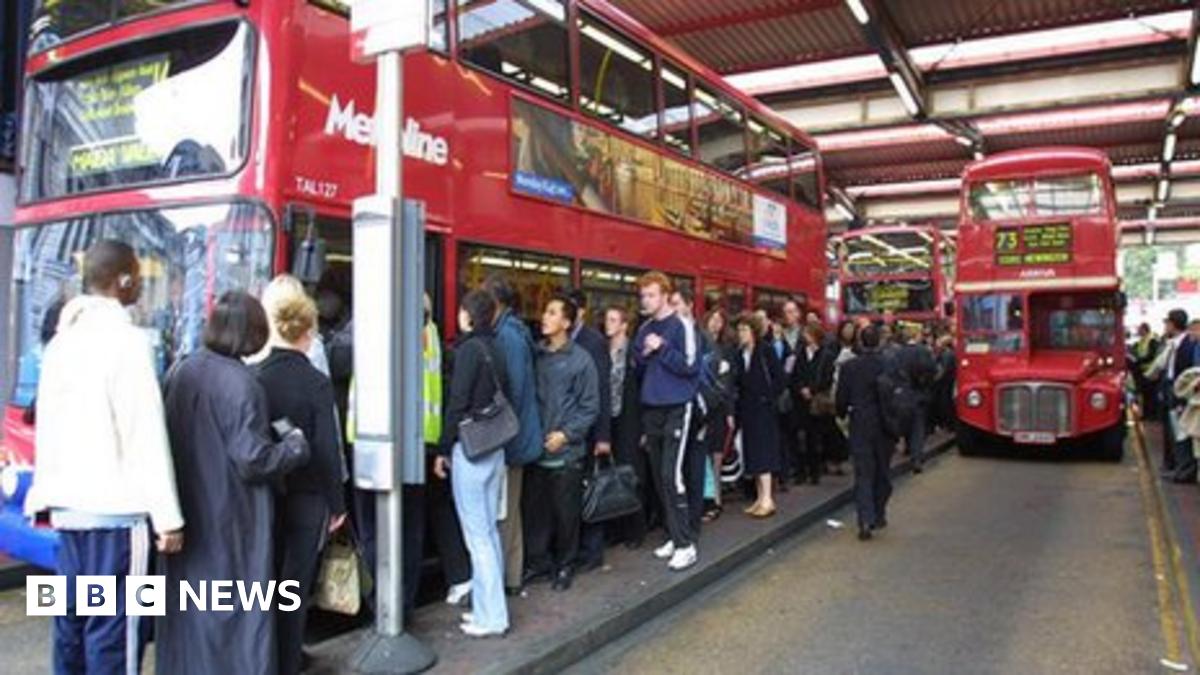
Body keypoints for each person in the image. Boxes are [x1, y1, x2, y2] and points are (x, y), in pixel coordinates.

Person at [26, 240, 185, 675]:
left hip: (68, 512)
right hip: (117, 514)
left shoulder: (61, 343)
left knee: (71, 624)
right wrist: (168, 516)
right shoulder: (127, 343)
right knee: (116, 630)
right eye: (137, 276)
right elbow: (144, 434)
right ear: (124, 281)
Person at [158, 291, 311, 674]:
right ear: (255, 333)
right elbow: (254, 460)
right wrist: (294, 447)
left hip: (189, 510)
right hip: (233, 517)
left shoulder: (182, 369)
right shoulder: (243, 384)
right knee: (239, 610)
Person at [256, 289, 348, 675]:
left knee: (267, 579)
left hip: (267, 495)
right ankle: (290, 657)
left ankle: (266, 656)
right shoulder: (316, 382)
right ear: (307, 331)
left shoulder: (256, 377)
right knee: (295, 582)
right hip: (309, 498)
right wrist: (338, 504)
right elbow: (327, 447)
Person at [435, 290, 510, 637]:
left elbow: (457, 401)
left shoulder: (467, 350)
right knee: (490, 532)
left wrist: (443, 447)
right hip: (494, 447)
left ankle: (492, 618)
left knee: (477, 537)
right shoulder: (496, 347)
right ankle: (485, 608)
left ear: (468, 315)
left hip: (471, 450)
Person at [524, 294, 600, 591]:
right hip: (536, 449)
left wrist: (566, 435)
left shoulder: (581, 360)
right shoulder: (538, 355)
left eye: (553, 313)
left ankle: (565, 565)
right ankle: (539, 563)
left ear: (567, 323)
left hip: (566, 452)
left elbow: (590, 406)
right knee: (536, 514)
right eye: (546, 311)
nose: (544, 316)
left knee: (566, 515)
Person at [634, 272, 702, 571]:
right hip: (652, 407)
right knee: (659, 476)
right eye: (643, 296)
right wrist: (646, 353)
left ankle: (686, 544)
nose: (645, 301)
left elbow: (690, 365)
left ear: (664, 295)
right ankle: (674, 536)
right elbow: (637, 364)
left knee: (670, 475)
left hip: (677, 407)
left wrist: (661, 348)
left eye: (650, 295)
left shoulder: (682, 326)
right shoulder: (645, 327)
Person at [483, 275, 544, 595]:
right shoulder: (512, 332)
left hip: (512, 439)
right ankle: (511, 578)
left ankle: (500, 583)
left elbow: (515, 392)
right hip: (519, 436)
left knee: (503, 512)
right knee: (511, 511)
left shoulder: (506, 337)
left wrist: (499, 436)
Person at [567, 289, 613, 574]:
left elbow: (602, 390)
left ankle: (593, 551)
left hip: (591, 429)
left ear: (581, 311)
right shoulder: (566, 341)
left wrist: (603, 436)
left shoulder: (593, 342)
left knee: (592, 489)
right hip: (573, 429)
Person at [835, 325, 893, 541]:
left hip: (860, 423)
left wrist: (842, 414)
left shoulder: (850, 367)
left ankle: (864, 519)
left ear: (860, 341)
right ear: (878, 342)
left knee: (863, 474)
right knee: (883, 472)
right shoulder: (888, 364)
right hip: (884, 426)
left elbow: (841, 398)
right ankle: (878, 513)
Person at [733, 312, 785, 517]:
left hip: (763, 410)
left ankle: (768, 499)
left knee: (764, 453)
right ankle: (760, 497)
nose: (740, 334)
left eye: (744, 330)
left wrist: (768, 398)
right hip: (747, 411)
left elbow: (780, 378)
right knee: (753, 453)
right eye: (739, 330)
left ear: (754, 331)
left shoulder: (766, 351)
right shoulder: (740, 353)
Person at [606, 305, 649, 547]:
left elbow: (644, 388)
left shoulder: (634, 352)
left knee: (631, 474)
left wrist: (644, 428)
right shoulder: (604, 351)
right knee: (612, 474)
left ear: (624, 325)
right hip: (609, 420)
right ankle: (616, 528)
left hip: (630, 421)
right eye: (607, 319)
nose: (607, 323)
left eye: (613, 320)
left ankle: (636, 529)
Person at [669, 288, 710, 534]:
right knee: (677, 471)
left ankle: (692, 524)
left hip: (695, 411)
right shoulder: (671, 332)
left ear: (689, 306)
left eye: (676, 303)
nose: (672, 309)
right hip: (676, 409)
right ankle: (678, 524)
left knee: (693, 469)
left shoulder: (699, 337)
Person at [701, 308, 737, 521]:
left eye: (719, 320)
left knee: (716, 455)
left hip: (720, 409)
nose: (715, 324)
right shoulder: (700, 345)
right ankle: (705, 498)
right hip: (703, 407)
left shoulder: (727, 350)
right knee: (702, 455)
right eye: (712, 319)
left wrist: (730, 412)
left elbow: (729, 384)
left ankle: (716, 500)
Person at [1155, 309, 1196, 482]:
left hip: (1181, 393)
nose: (1165, 326)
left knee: (1182, 431)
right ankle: (1176, 466)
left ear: (1173, 324)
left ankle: (1184, 471)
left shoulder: (1188, 344)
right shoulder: (1172, 344)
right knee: (1173, 430)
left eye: (1167, 323)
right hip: (1170, 389)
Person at [890, 325, 937, 474]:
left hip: (902, 395)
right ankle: (916, 458)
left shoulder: (897, 354)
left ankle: (906, 448)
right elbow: (932, 370)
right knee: (918, 427)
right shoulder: (923, 351)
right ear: (916, 336)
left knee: (904, 424)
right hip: (919, 395)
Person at [792, 322, 832, 485]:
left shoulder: (826, 355)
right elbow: (794, 375)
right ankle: (801, 472)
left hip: (816, 403)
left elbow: (827, 378)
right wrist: (801, 388)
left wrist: (812, 390)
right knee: (800, 437)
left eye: (808, 333)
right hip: (800, 402)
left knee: (814, 439)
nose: (805, 336)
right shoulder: (800, 353)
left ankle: (815, 472)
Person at [1132, 323, 1160, 418]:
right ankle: (1146, 414)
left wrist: (1138, 361)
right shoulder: (1141, 341)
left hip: (1151, 372)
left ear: (1144, 330)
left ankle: (1152, 415)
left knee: (1151, 395)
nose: (1138, 332)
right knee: (1144, 395)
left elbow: (1152, 355)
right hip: (1142, 371)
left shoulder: (1152, 340)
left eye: (1140, 329)